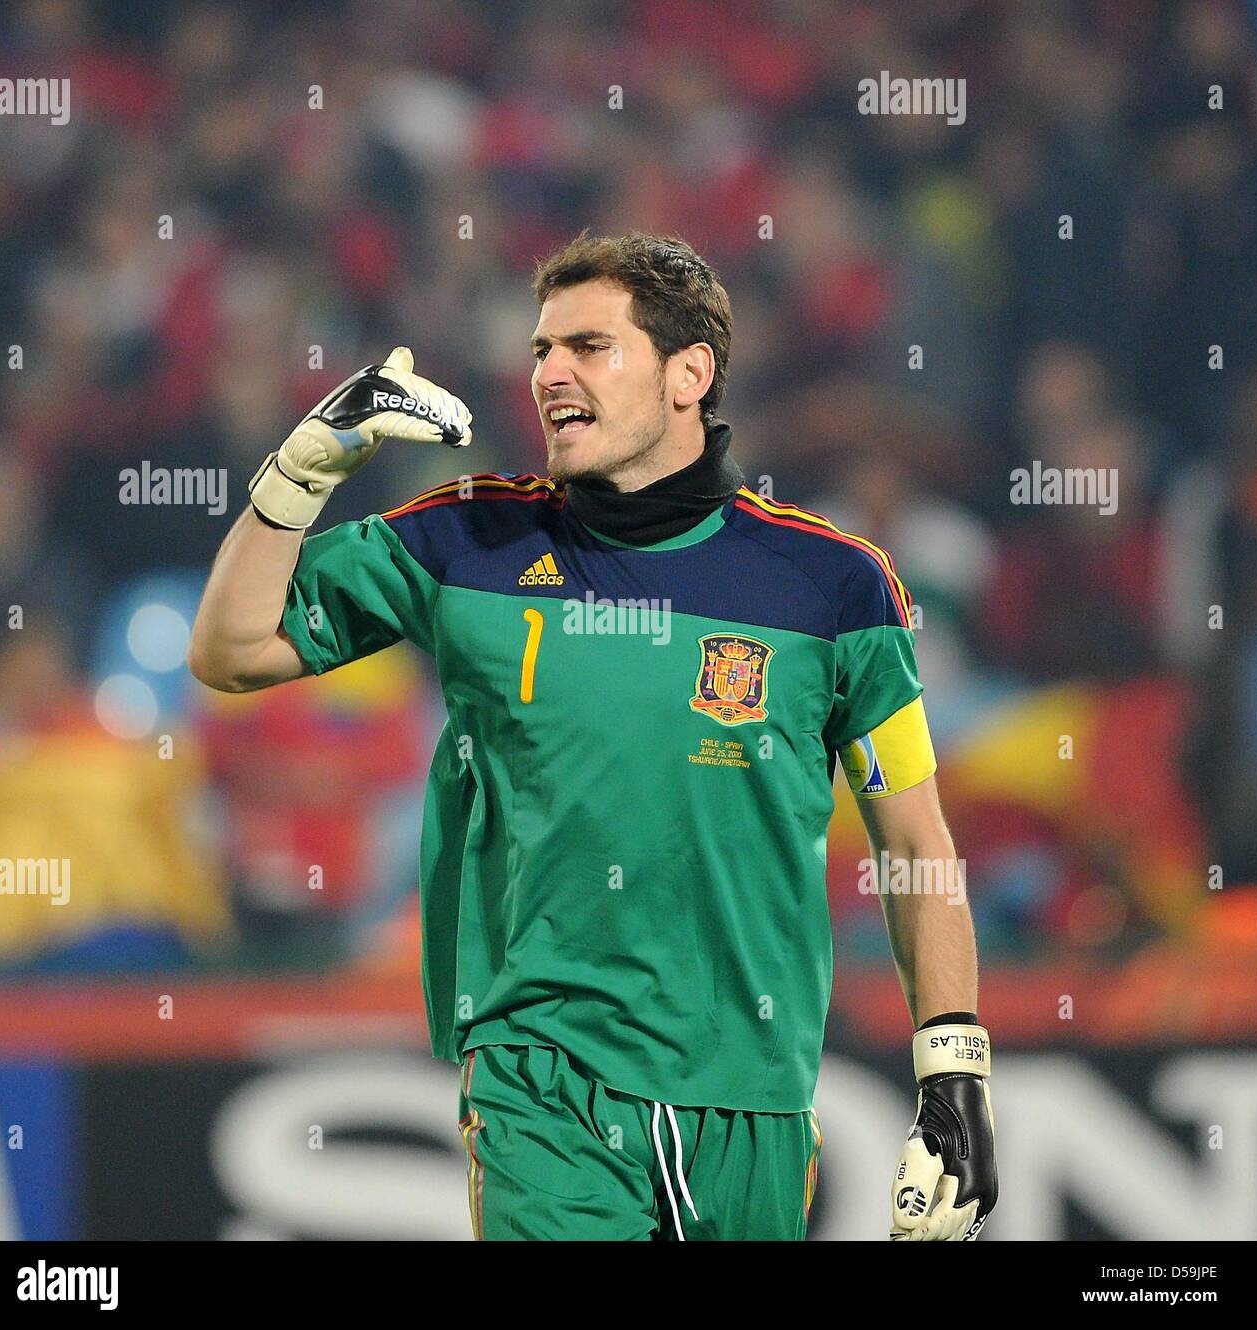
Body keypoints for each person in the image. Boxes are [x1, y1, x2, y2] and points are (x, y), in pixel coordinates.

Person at [188, 231, 996, 1241]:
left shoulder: (837, 587)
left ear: (687, 374)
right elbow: (229, 650)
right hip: (542, 1076)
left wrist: (953, 1075)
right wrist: (301, 468)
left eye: (587, 346)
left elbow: (915, 841)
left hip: (755, 1091)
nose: (549, 375)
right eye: (539, 351)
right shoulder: (466, 539)